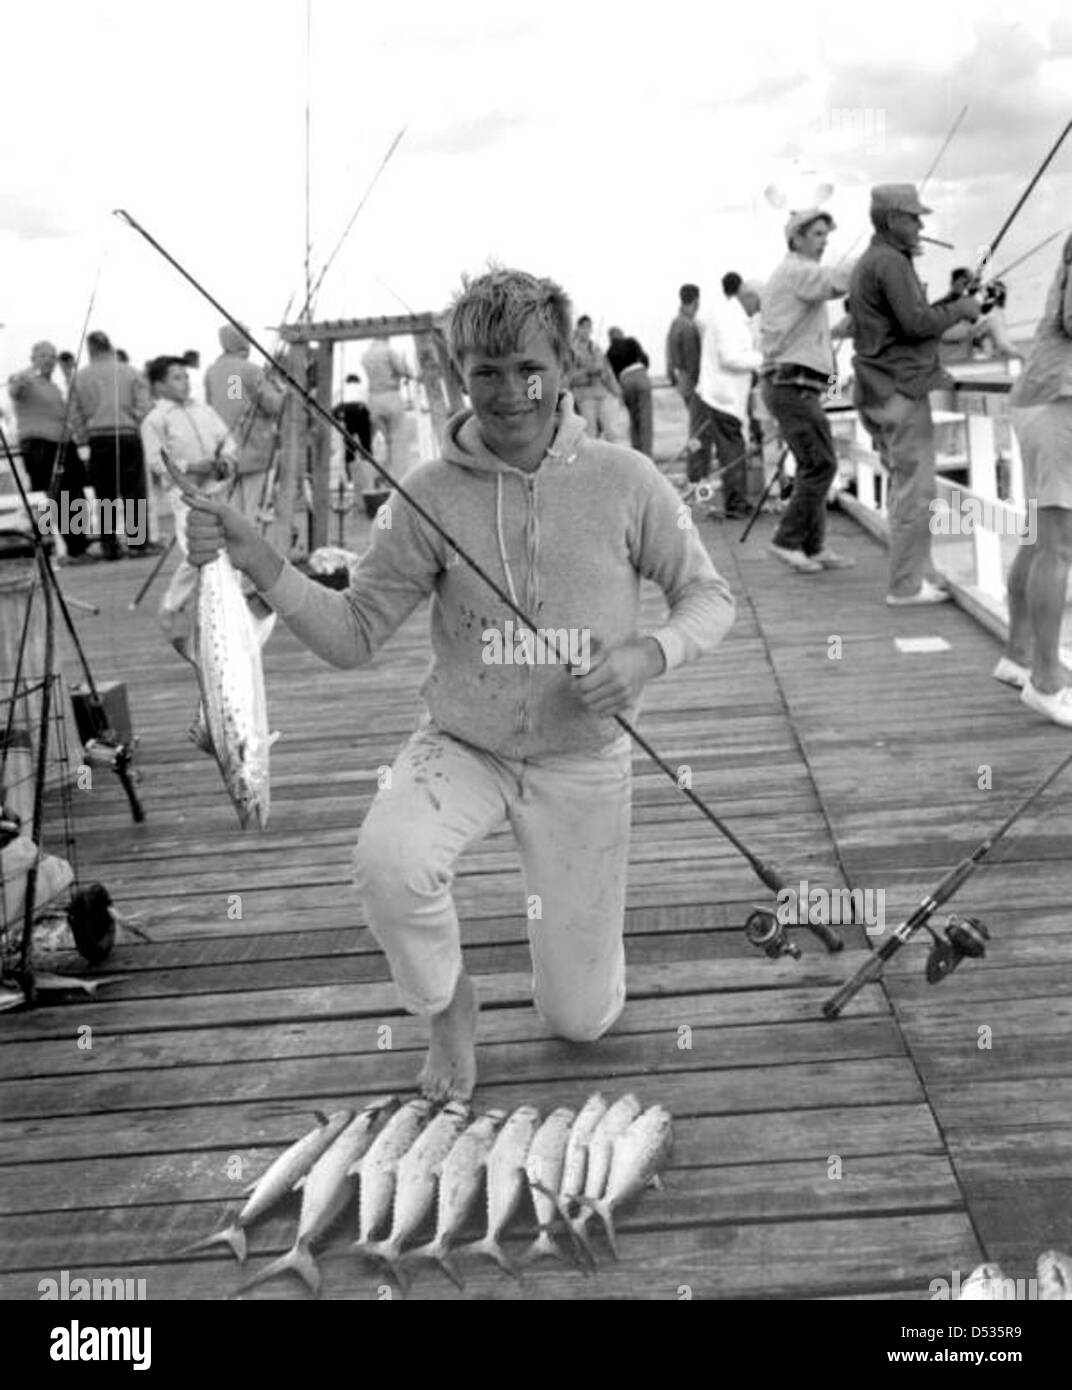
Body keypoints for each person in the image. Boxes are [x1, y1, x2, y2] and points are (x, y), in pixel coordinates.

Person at [182, 267, 736, 1100]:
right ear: (457, 375)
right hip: (463, 744)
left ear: (564, 359)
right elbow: (353, 633)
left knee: (580, 1021)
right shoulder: (424, 494)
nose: (511, 393)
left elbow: (708, 597)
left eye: (529, 368)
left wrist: (645, 657)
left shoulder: (627, 479)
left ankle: (585, 944)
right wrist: (256, 556)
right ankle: (447, 1007)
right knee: (389, 861)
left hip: (583, 757)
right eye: (486, 372)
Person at [849, 185, 981, 603]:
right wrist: (961, 309)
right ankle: (905, 587)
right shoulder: (890, 261)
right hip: (899, 390)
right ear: (892, 221)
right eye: (913, 218)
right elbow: (916, 325)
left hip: (877, 388)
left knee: (905, 487)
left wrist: (950, 301)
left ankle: (922, 573)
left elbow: (908, 318)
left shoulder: (876, 260)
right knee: (916, 492)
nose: (921, 225)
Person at [997, 233, 1072, 726]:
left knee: (1037, 538)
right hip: (1057, 402)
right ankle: (1046, 682)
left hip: (1039, 399)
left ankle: (1019, 655)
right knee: (1058, 545)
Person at [758, 210, 856, 570]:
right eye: (817, 233)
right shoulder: (797, 272)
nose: (824, 240)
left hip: (791, 385)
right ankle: (787, 540)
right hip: (791, 385)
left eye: (825, 233)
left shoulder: (794, 274)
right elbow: (832, 282)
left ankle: (813, 546)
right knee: (821, 464)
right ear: (796, 238)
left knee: (812, 464)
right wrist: (875, 260)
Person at [141, 356, 236, 640]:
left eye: (185, 376)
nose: (185, 381)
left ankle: (223, 607)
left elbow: (228, 441)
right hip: (184, 496)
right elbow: (157, 461)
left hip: (215, 491)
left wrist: (224, 463)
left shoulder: (205, 410)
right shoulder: (155, 419)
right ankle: (171, 604)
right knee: (197, 553)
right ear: (159, 385)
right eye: (176, 377)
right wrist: (192, 468)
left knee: (228, 547)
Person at [69, 330, 153, 558]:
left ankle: (110, 546)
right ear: (110, 346)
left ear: (90, 349)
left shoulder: (80, 377)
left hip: (98, 438)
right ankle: (137, 543)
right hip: (126, 434)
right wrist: (134, 419)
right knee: (133, 491)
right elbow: (145, 405)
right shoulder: (129, 372)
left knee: (105, 494)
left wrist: (83, 434)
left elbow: (74, 412)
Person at [6, 341, 90, 560]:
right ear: (33, 358)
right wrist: (27, 372)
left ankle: (78, 548)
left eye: (52, 356)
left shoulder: (53, 386)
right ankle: (48, 545)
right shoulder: (25, 381)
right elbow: (14, 389)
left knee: (74, 494)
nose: (49, 359)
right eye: (43, 355)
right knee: (47, 496)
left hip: (64, 444)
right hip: (40, 446)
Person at [204, 324, 286, 520]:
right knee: (251, 508)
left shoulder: (211, 371)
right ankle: (248, 546)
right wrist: (280, 389)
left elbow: (225, 402)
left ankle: (232, 547)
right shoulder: (250, 370)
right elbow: (274, 405)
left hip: (222, 450)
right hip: (253, 448)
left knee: (230, 508)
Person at [666, 284, 710, 486]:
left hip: (682, 381)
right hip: (693, 383)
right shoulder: (689, 326)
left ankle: (695, 473)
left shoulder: (675, 323)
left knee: (695, 429)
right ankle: (696, 473)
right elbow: (693, 361)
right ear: (696, 301)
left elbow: (670, 358)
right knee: (699, 430)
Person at [362, 336, 412, 475]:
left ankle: (380, 474)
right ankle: (400, 478)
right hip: (391, 395)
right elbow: (403, 370)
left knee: (383, 440)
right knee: (398, 439)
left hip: (373, 398)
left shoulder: (366, 355)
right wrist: (408, 371)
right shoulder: (389, 351)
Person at [569, 315, 621, 441]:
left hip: (602, 393)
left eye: (589, 327)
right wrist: (587, 371)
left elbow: (608, 371)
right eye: (583, 327)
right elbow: (568, 377)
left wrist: (617, 391)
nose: (586, 330)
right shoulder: (570, 350)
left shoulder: (596, 348)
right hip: (584, 396)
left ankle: (613, 459)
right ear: (578, 329)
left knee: (611, 431)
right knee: (590, 433)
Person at [605, 327, 653, 457]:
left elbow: (612, 374)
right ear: (621, 334)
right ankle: (647, 455)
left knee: (634, 418)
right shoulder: (631, 342)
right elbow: (645, 360)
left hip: (625, 380)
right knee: (645, 420)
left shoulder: (609, 352)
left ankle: (637, 454)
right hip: (640, 375)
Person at [332, 373, 374, 485]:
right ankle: (368, 475)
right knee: (366, 446)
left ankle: (350, 479)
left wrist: (339, 419)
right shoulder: (363, 388)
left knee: (349, 448)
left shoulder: (342, 389)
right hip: (361, 410)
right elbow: (370, 406)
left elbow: (334, 408)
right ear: (358, 381)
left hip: (347, 412)